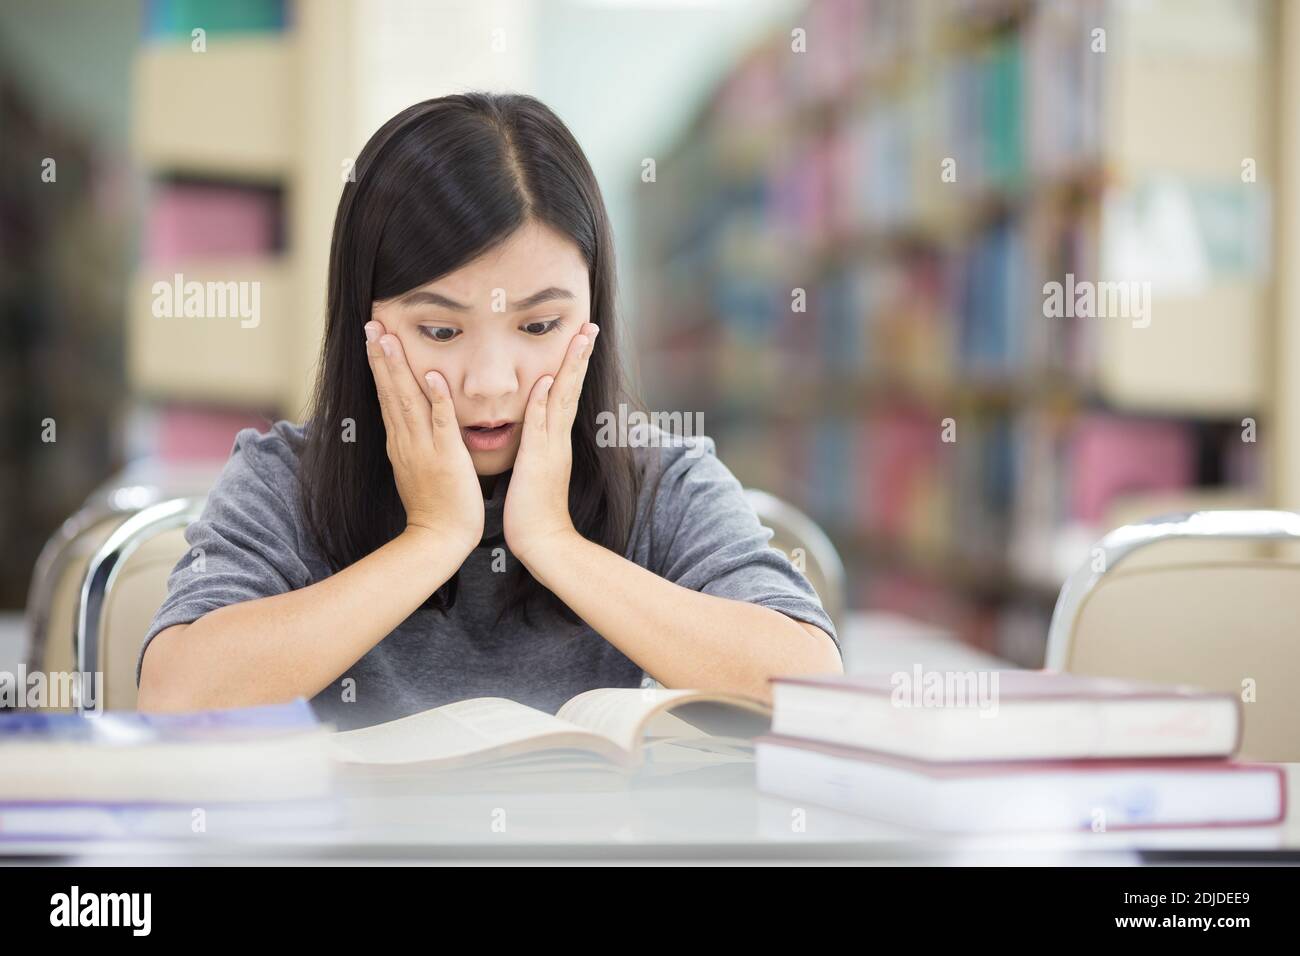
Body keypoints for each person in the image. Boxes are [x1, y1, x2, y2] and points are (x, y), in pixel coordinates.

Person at [136, 92, 841, 729]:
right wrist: (433, 536)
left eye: (539, 328)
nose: (491, 384)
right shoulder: (284, 480)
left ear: (593, 315)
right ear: (365, 320)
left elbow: (810, 684)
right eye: (441, 331)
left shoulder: (661, 479)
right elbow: (175, 694)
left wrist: (555, 543)